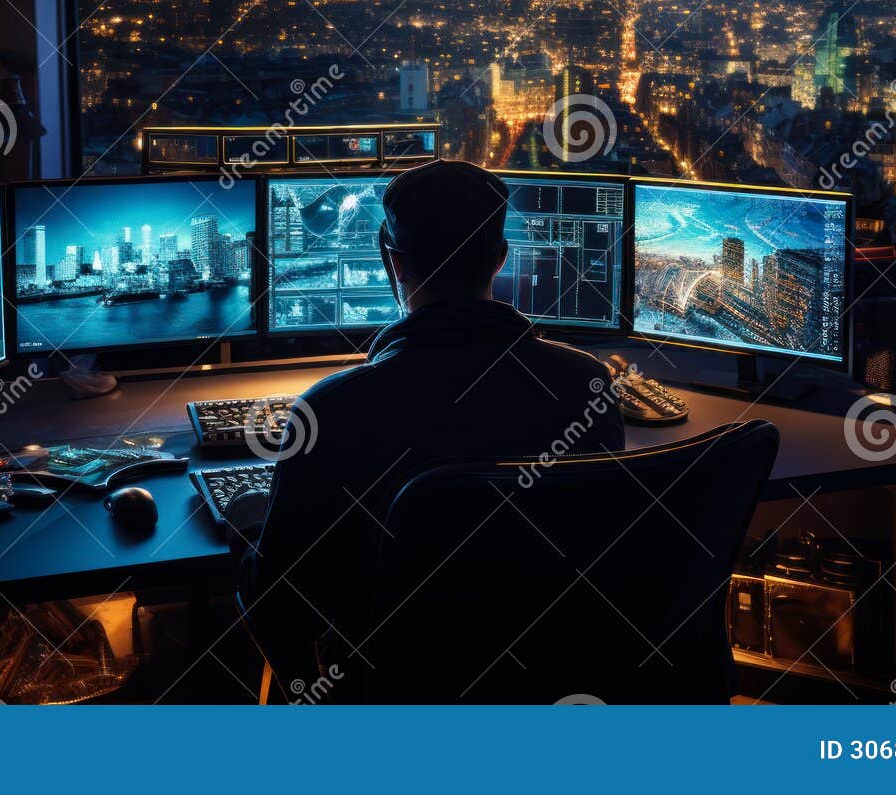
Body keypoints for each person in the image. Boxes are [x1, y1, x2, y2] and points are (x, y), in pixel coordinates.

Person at [231, 160, 625, 688]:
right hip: (549, 678)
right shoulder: (587, 388)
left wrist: (248, 522)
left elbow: (283, 605)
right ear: (501, 259)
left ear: (393, 264)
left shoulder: (333, 409)